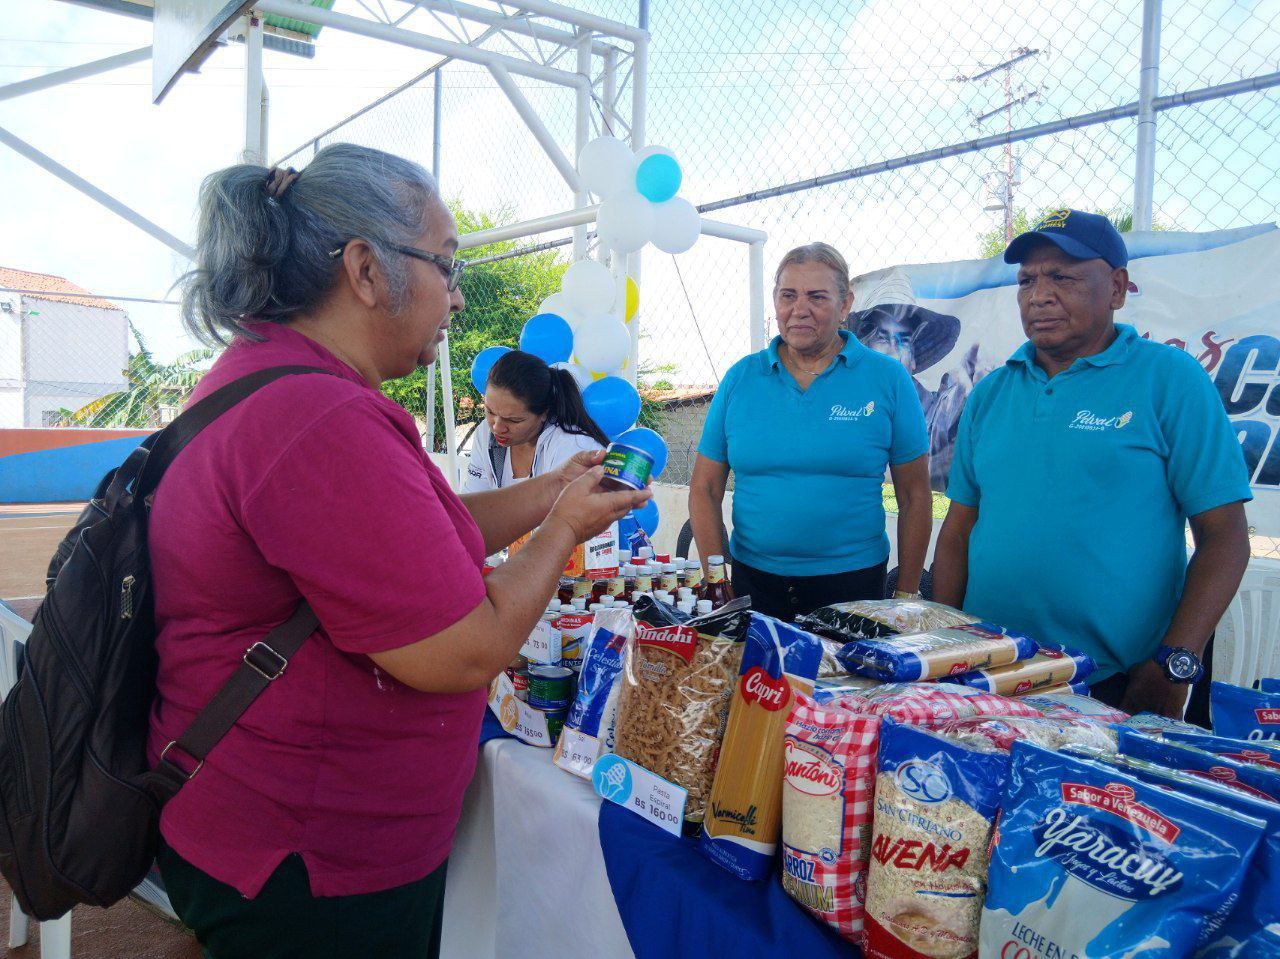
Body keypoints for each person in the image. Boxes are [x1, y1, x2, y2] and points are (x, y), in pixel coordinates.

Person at [146, 145, 649, 958]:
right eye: (445, 265)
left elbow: (424, 534)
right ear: (367, 271)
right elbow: (464, 650)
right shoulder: (320, 417)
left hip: (280, 829)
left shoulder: (290, 379)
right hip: (308, 855)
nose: (455, 295)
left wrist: (553, 492)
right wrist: (559, 536)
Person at [932, 209, 1251, 720]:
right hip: (989, 673)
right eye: (1027, 280)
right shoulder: (991, 392)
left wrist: (1175, 662)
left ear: (1118, 289)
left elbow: (1226, 537)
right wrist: (938, 642)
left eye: (1063, 276)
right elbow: (959, 530)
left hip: (1117, 681)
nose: (1039, 294)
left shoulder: (1169, 379)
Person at [687, 242, 933, 622]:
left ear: (845, 303)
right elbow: (704, 488)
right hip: (753, 581)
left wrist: (905, 595)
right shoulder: (741, 378)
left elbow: (915, 495)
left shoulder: (888, 380)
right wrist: (715, 580)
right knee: (756, 682)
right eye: (789, 295)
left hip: (852, 586)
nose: (799, 310)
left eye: (816, 297)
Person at [848, 267, 992, 491]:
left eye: (903, 340)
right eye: (882, 338)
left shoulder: (942, 408)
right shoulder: (846, 405)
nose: (892, 351)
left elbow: (947, 428)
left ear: (913, 359)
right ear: (865, 346)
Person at [463, 349, 608, 492]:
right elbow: (470, 501)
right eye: (490, 411)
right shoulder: (485, 432)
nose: (497, 427)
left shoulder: (573, 445)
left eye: (514, 420)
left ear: (544, 413)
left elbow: (571, 514)